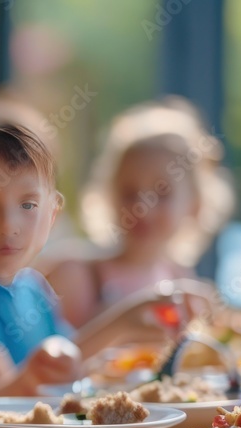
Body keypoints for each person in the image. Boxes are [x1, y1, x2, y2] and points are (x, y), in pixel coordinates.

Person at [0, 124, 191, 395]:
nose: (8, 226)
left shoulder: (34, 287)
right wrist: (121, 322)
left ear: (52, 215)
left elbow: (71, 358)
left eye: (27, 205)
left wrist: (128, 323)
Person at [46, 98, 229, 328]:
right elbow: (47, 359)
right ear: (108, 199)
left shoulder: (179, 277)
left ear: (195, 205)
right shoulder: (78, 276)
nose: (142, 207)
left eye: (162, 193)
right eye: (128, 193)